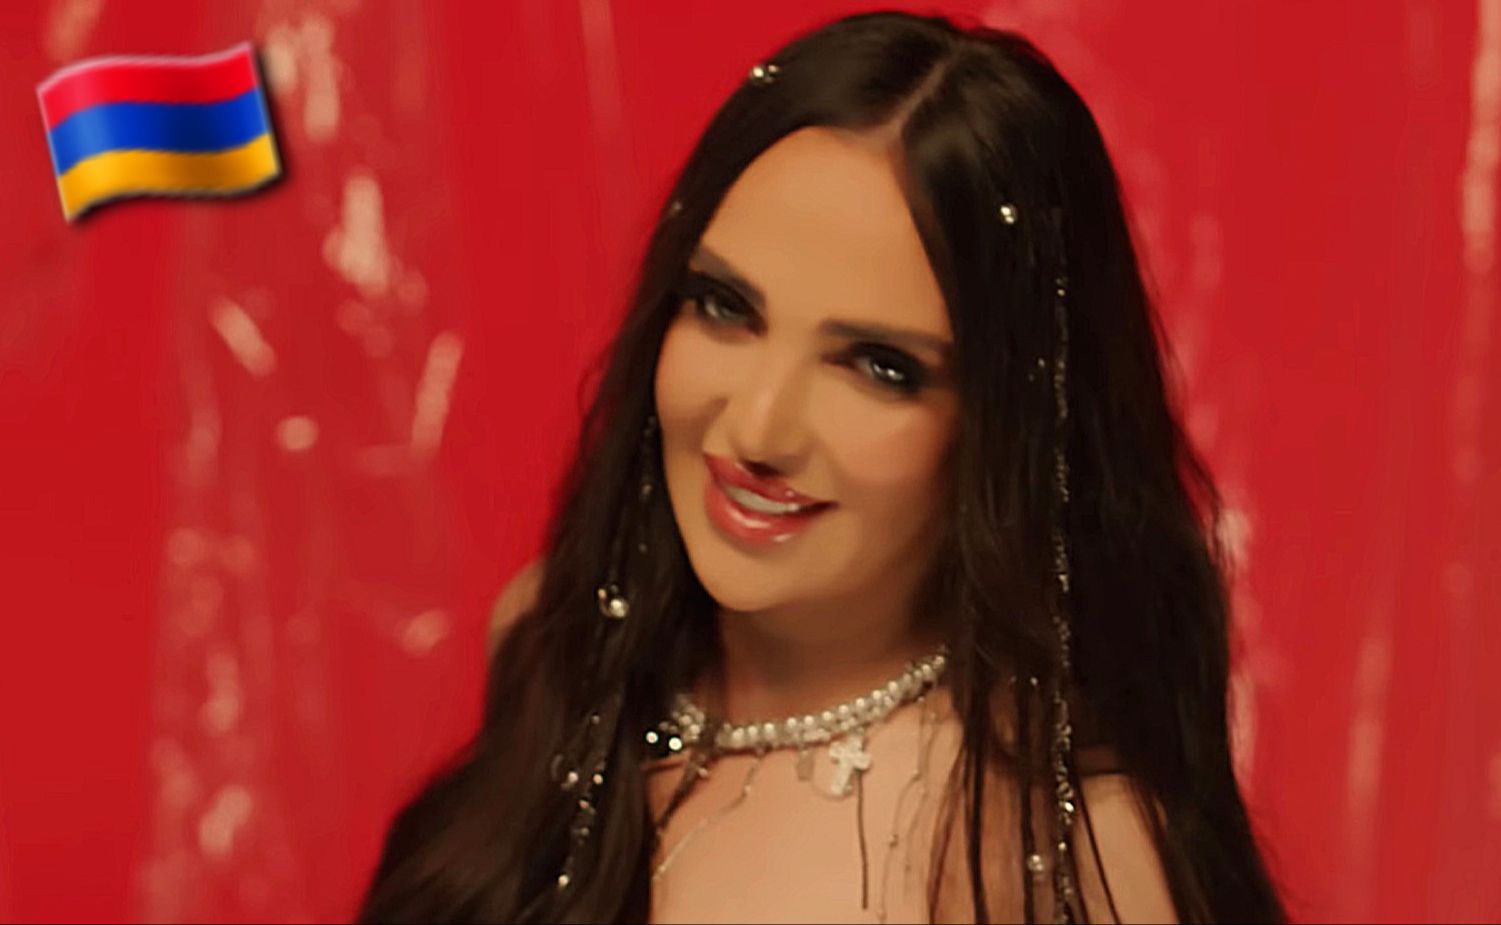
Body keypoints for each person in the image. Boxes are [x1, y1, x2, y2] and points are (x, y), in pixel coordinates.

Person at [358, 10, 1286, 923]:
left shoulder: (1060, 848)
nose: (757, 427)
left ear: (1010, 428)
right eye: (725, 307)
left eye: (878, 366)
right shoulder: (553, 642)